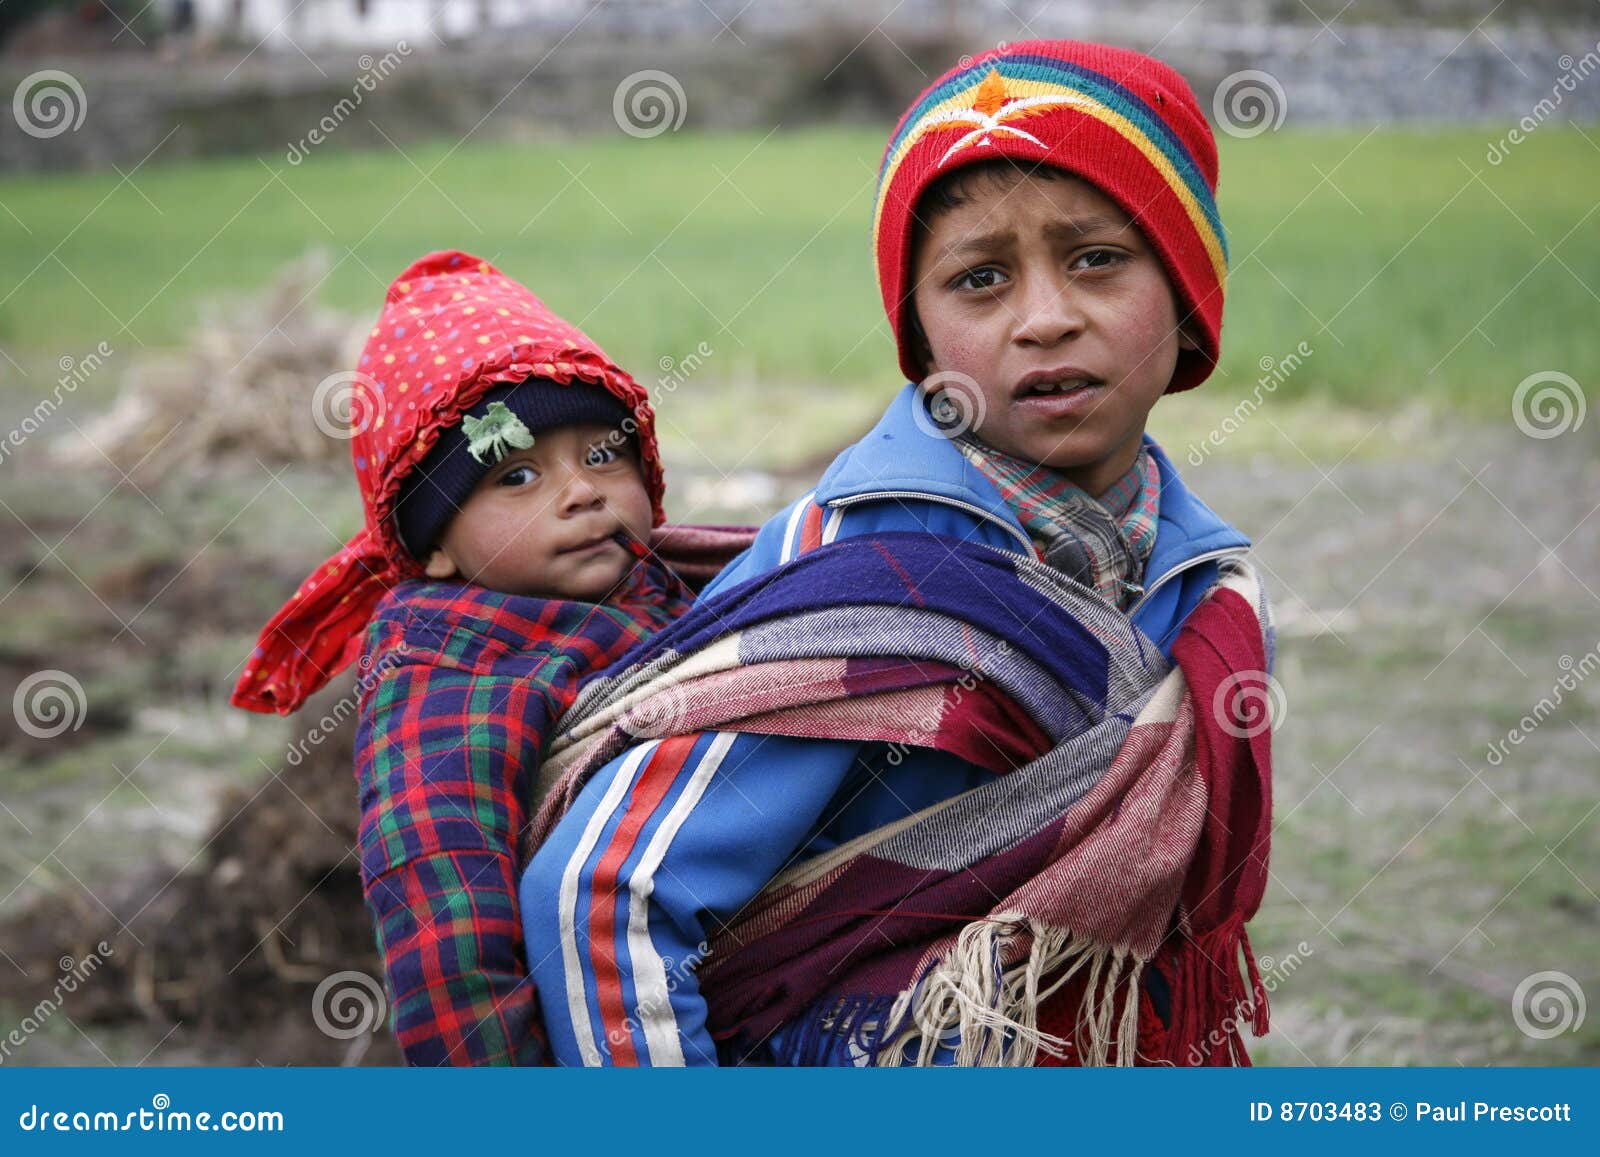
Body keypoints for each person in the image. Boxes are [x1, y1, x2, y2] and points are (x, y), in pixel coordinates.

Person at [521, 39, 1275, 1067]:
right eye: (979, 278)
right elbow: (598, 894)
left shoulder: (1208, 590)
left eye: (1097, 256)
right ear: (919, 336)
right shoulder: (862, 577)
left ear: (1186, 292)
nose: (1045, 318)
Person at [231, 250, 720, 1065]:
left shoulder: (669, 582)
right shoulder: (447, 678)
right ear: (436, 550)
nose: (581, 491)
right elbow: (446, 932)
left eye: (604, 454)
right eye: (518, 474)